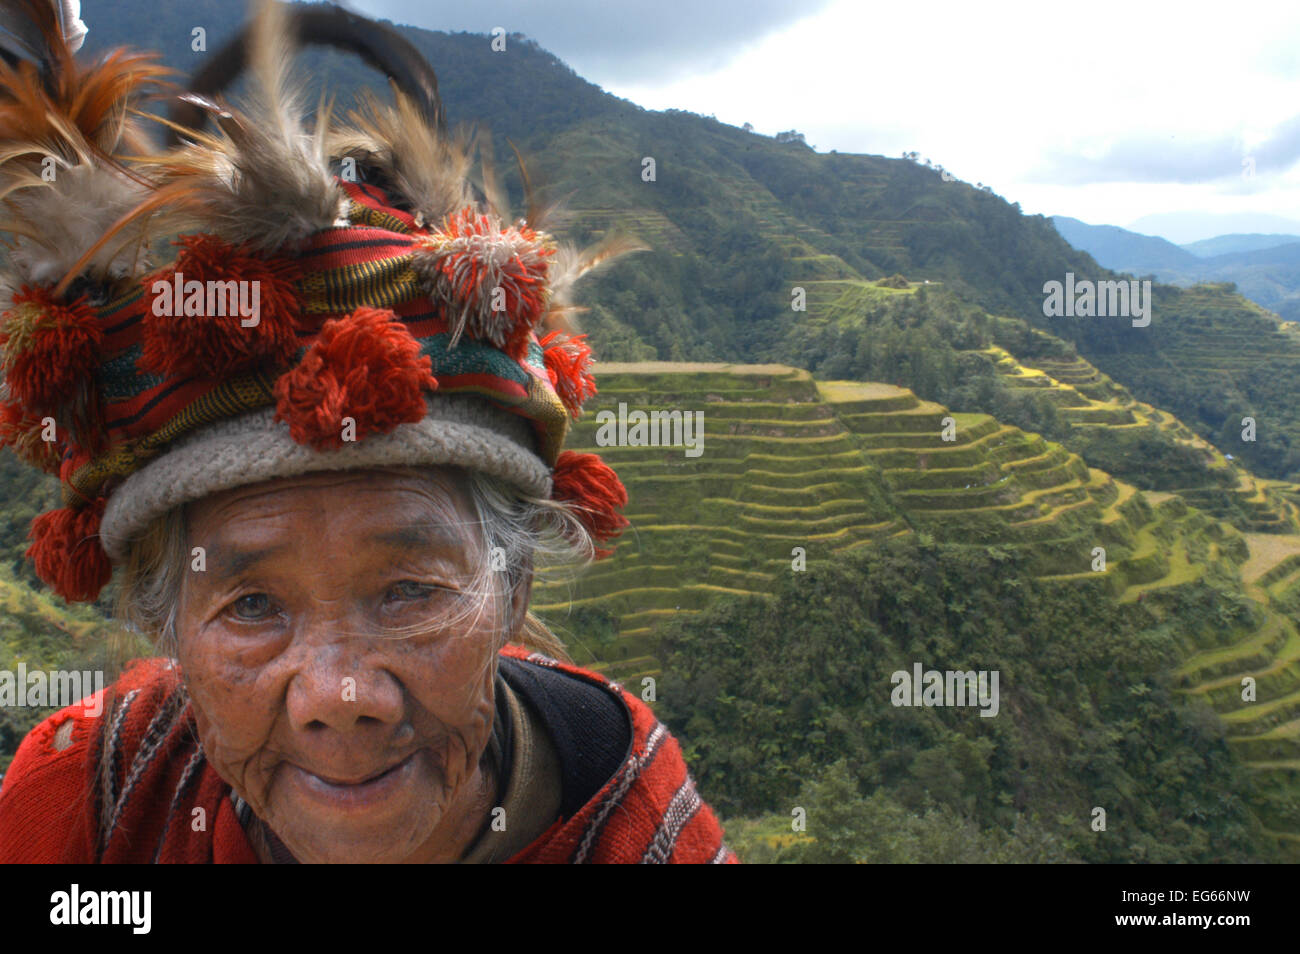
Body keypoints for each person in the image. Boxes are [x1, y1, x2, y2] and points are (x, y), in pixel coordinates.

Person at [0, 0, 735, 864]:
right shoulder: (90, 806)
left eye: (411, 590)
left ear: (513, 588)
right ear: (171, 636)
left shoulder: (644, 840)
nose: (338, 695)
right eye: (252, 607)